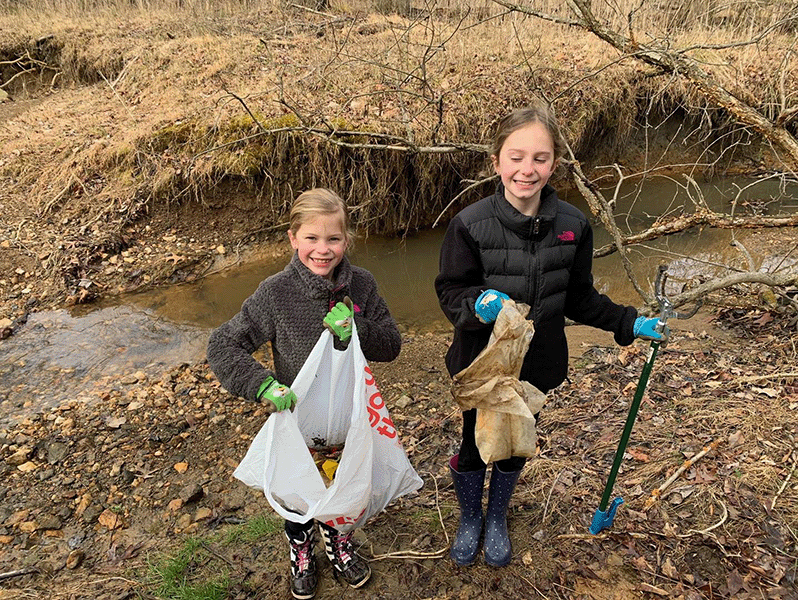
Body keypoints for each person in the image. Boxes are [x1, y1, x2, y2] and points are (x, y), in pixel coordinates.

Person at [434, 102, 667, 568]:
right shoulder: (469, 224)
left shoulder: (574, 227)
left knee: (515, 443)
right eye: (516, 156)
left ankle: (496, 517)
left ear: (554, 163)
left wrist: (628, 322)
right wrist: (477, 304)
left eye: (540, 158)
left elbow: (579, 298)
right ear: (497, 159)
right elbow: (451, 290)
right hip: (483, 365)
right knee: (473, 445)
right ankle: (469, 518)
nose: (527, 169)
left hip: (537, 367)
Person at [207, 188, 401, 599]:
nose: (322, 249)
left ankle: (339, 541)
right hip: (297, 418)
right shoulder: (275, 293)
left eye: (333, 239)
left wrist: (358, 329)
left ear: (347, 240)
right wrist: (261, 384)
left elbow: (391, 345)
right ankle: (301, 547)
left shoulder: (361, 286)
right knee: (298, 492)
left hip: (349, 415)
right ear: (293, 239)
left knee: (344, 483)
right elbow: (223, 344)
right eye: (311, 238)